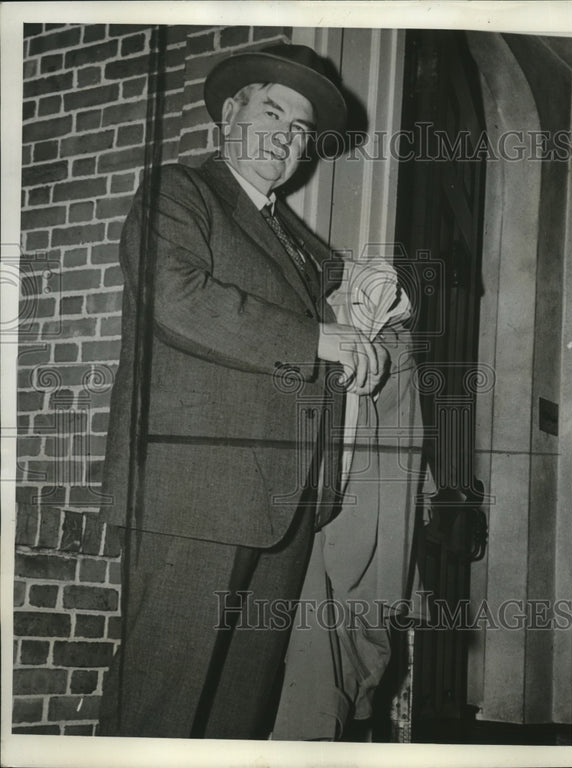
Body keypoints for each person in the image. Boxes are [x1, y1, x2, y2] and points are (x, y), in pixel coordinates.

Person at [97, 43, 388, 739]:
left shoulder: (304, 247)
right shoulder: (180, 190)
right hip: (193, 491)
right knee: (159, 706)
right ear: (231, 112)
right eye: (272, 112)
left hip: (282, 505)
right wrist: (317, 339)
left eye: (300, 131)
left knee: (238, 715)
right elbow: (175, 299)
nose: (284, 137)